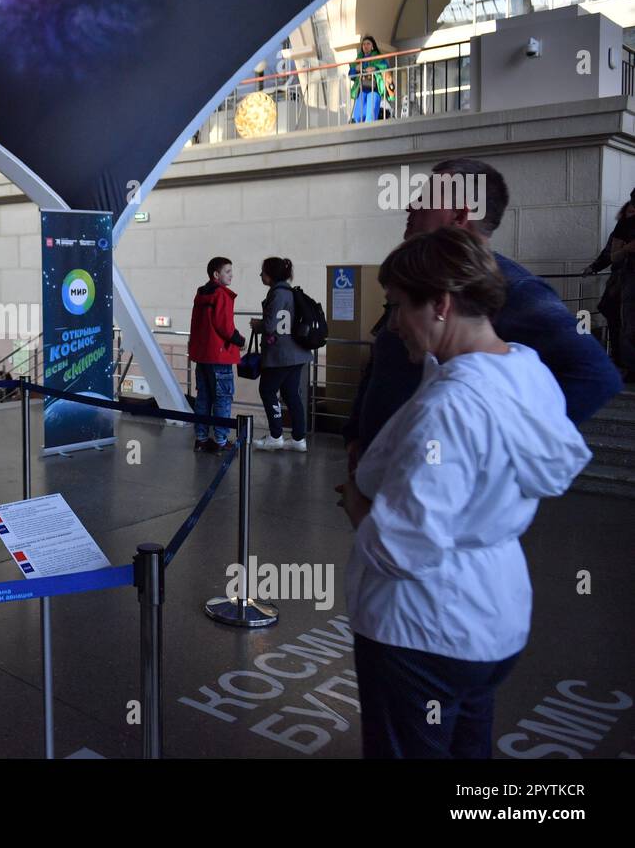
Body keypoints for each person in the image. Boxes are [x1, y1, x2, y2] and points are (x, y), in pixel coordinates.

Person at [337, 227, 590, 758]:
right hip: (492, 619)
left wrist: (357, 501)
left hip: (422, 629)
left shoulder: (450, 408)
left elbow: (401, 547)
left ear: (441, 304)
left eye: (398, 305)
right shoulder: (524, 369)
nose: (392, 324)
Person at [344, 157, 622, 471]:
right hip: (384, 477)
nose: (410, 206)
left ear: (460, 215)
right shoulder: (420, 279)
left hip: (435, 494)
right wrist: (356, 437)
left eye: (422, 200)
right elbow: (384, 359)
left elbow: (595, 375)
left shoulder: (516, 289)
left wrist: (497, 458)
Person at [249, 257, 311, 451]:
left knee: (267, 391)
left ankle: (276, 435)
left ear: (271, 274)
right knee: (291, 394)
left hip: (280, 356)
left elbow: (269, 326)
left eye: (263, 272)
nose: (261, 275)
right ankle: (299, 438)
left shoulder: (277, 294)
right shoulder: (291, 293)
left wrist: (256, 324)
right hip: (297, 354)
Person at [187, 256, 244, 453]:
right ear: (216, 274)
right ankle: (221, 440)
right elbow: (225, 327)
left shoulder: (201, 293)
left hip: (202, 354)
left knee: (203, 397)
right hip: (219, 356)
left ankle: (201, 439)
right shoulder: (222, 295)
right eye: (227, 272)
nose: (231, 275)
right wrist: (240, 340)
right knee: (223, 397)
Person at [583, 199, 635, 379]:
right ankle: (620, 359)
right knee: (615, 316)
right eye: (629, 212)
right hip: (620, 280)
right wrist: (594, 267)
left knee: (623, 321)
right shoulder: (621, 230)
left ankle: (623, 361)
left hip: (625, 279)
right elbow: (609, 255)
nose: (631, 215)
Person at [348, 36, 394, 124]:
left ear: (372, 46)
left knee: (371, 115)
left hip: (374, 88)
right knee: (358, 115)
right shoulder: (358, 59)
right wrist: (356, 69)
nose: (366, 46)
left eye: (368, 44)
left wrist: (375, 68)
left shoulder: (379, 57)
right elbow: (351, 75)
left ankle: (368, 133)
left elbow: (386, 68)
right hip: (362, 89)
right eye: (364, 44)